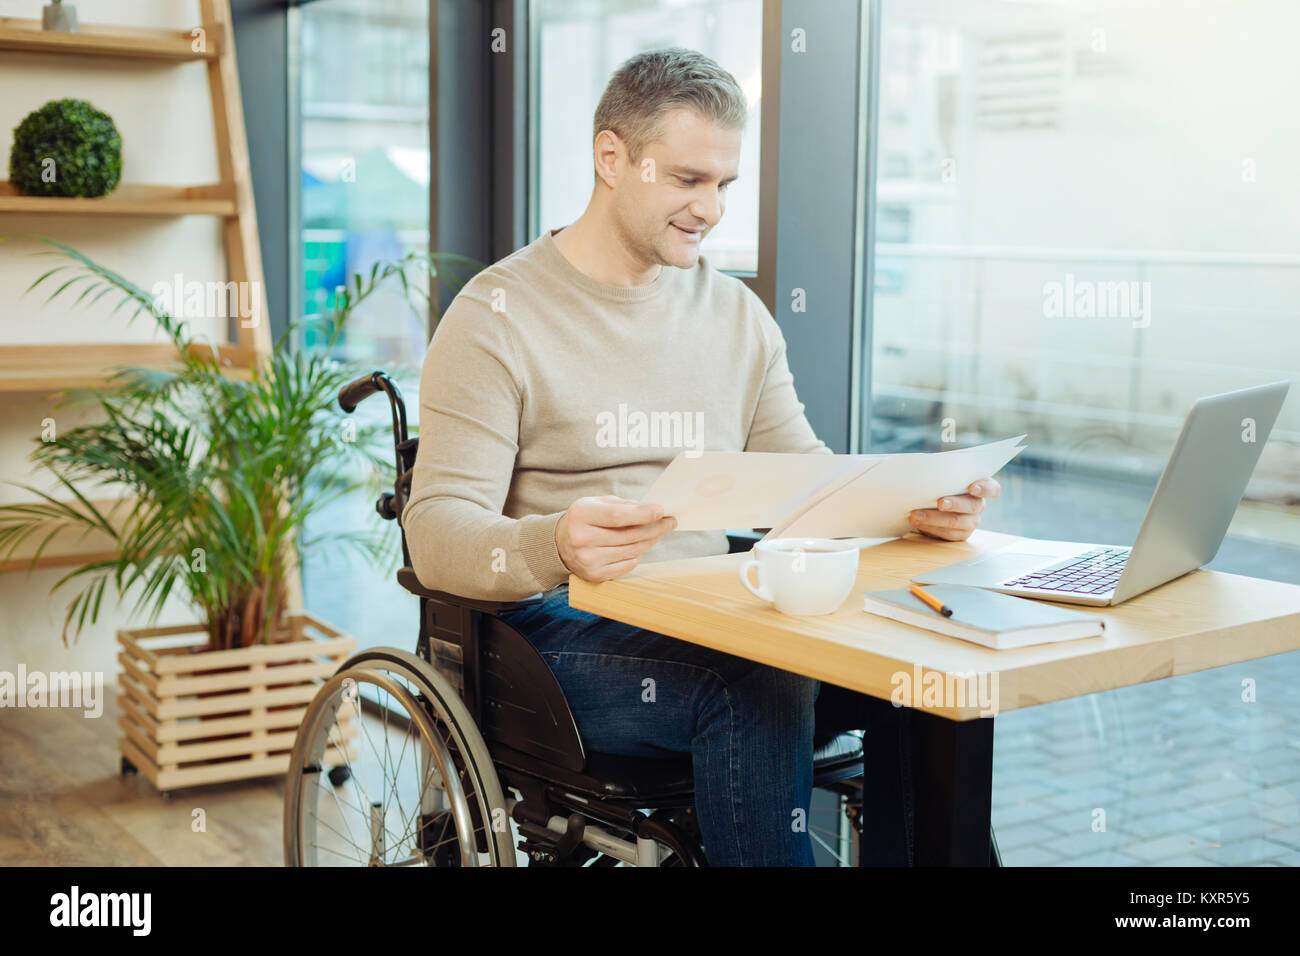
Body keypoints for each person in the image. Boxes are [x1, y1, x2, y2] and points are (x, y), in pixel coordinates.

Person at [402, 47, 999, 866]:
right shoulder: (497, 317)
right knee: (752, 680)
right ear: (611, 157)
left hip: (707, 609)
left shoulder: (734, 315)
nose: (711, 209)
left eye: (724, 185)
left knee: (923, 675)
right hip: (561, 634)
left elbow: (810, 485)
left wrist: (915, 508)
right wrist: (554, 543)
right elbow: (435, 530)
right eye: (688, 180)